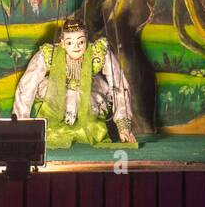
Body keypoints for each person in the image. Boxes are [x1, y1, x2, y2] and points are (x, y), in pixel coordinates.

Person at [12, 18, 137, 149]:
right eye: (70, 42)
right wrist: (21, 126)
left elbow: (119, 84)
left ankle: (86, 128)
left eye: (81, 42)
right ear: (62, 43)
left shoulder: (99, 53)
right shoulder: (48, 55)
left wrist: (123, 126)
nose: (76, 47)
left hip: (90, 98)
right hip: (54, 101)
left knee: (92, 120)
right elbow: (26, 87)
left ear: (87, 40)